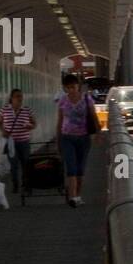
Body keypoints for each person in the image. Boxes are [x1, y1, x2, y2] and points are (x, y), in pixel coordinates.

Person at [55, 73, 98, 207]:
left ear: (78, 86)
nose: (71, 90)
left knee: (80, 169)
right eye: (68, 88)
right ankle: (73, 197)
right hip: (67, 137)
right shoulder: (63, 100)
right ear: (64, 88)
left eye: (73, 87)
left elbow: (93, 116)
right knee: (71, 168)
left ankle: (77, 195)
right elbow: (60, 121)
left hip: (84, 138)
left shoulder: (87, 99)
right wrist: (58, 140)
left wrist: (99, 133)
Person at [0, 88, 36, 194]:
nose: (20, 98)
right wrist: (3, 130)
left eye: (21, 96)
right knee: (13, 165)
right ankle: (15, 184)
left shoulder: (27, 109)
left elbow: (34, 123)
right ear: (11, 98)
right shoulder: (4, 109)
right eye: (17, 96)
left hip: (24, 141)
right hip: (11, 142)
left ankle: (26, 184)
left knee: (25, 164)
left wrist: (30, 126)